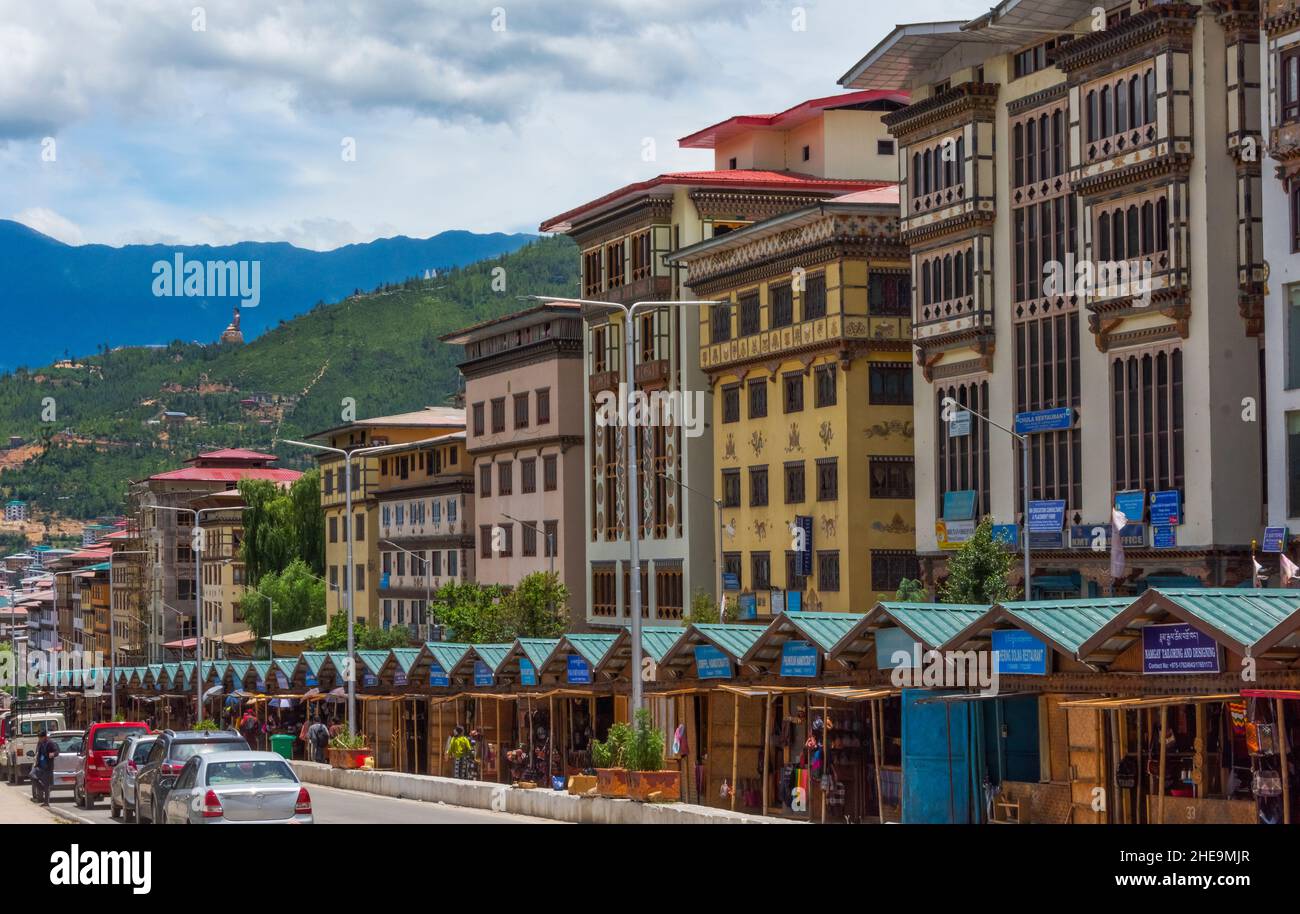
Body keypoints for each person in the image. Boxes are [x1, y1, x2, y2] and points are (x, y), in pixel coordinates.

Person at [32, 730, 59, 807]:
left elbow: (57, 752)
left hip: (47, 767)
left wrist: (53, 754)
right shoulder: (40, 743)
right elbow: (38, 753)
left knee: (47, 784)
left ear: (45, 737)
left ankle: (46, 802)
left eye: (40, 737)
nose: (39, 739)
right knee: (32, 775)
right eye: (39, 738)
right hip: (39, 766)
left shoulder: (50, 743)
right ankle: (41, 788)